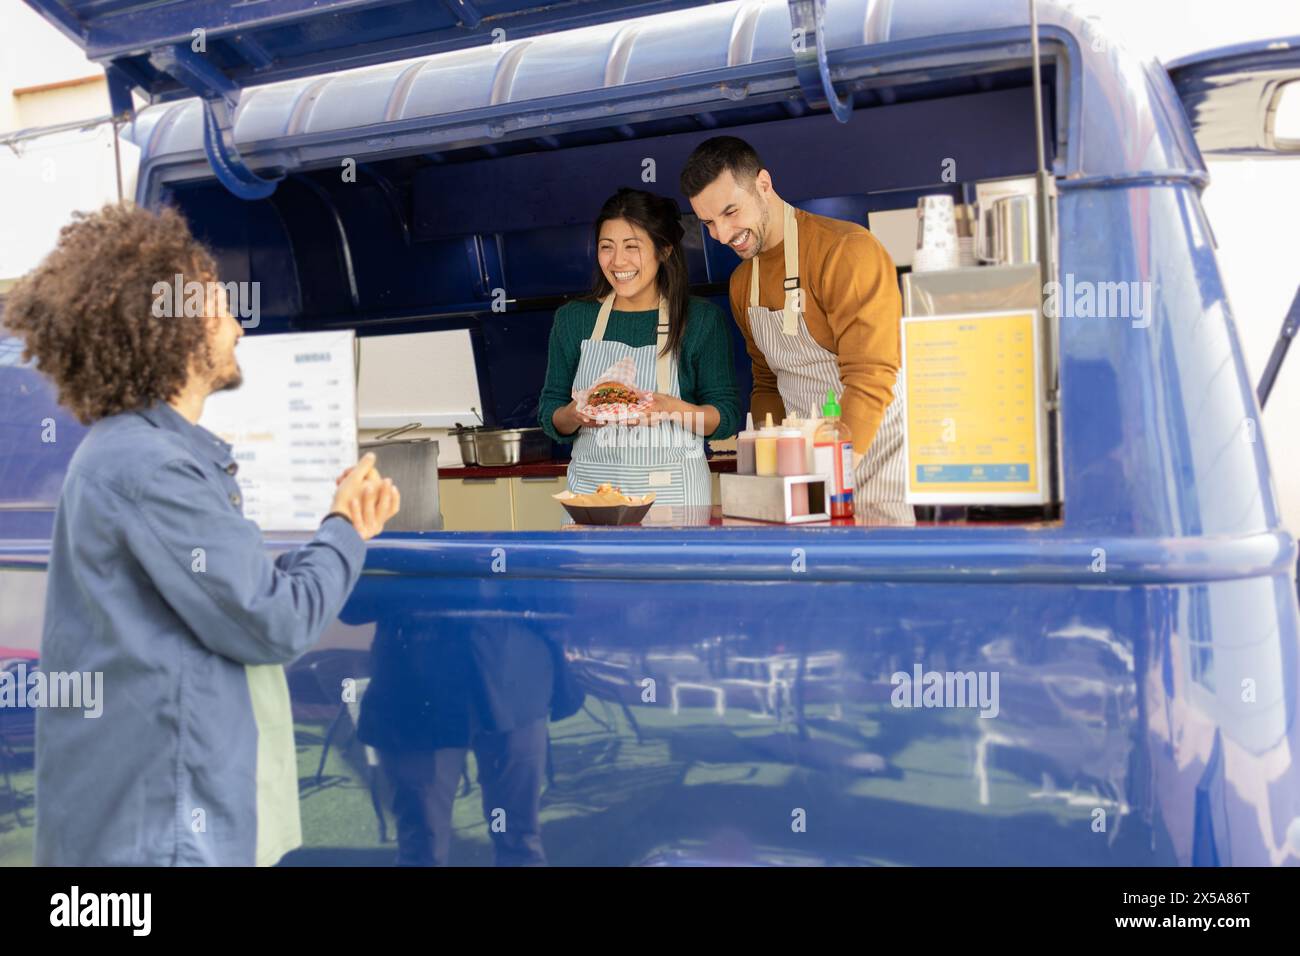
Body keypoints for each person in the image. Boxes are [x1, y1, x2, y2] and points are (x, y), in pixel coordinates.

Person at [4, 202, 399, 866]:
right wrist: (346, 527)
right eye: (221, 308)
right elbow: (271, 620)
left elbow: (229, 593)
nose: (239, 325)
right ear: (178, 332)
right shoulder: (153, 467)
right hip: (165, 833)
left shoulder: (139, 453)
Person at [680, 136, 912, 523]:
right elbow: (767, 383)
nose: (721, 234)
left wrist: (838, 472)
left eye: (731, 212)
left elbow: (871, 376)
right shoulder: (742, 283)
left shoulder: (846, 251)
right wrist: (767, 475)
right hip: (804, 468)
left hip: (875, 456)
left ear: (764, 185)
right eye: (708, 223)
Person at [538, 187, 739, 511]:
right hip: (593, 499)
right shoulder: (573, 320)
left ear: (665, 250)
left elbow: (726, 417)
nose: (618, 261)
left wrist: (669, 407)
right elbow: (551, 415)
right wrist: (574, 414)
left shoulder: (699, 320)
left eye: (632, 247)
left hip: (674, 500)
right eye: (607, 247)